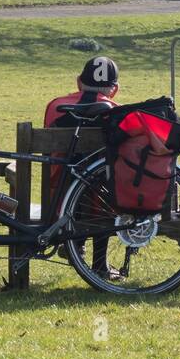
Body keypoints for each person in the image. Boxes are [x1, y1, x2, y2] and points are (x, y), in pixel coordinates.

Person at [44, 56, 119, 277]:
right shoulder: (117, 110)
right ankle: (100, 264)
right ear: (114, 90)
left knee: (73, 175)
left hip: (59, 198)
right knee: (105, 184)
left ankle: (75, 244)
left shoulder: (55, 106)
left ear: (79, 82)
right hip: (101, 204)